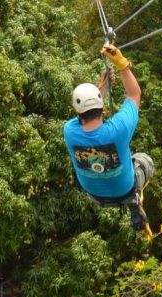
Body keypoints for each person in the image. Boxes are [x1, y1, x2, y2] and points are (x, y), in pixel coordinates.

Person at [63, 44, 154, 234]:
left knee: (124, 161)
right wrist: (123, 65)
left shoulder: (70, 132)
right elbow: (134, 94)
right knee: (144, 160)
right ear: (100, 105)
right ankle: (134, 200)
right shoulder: (118, 129)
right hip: (124, 189)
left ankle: (132, 199)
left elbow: (85, 113)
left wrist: (102, 87)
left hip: (95, 195)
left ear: (76, 111)